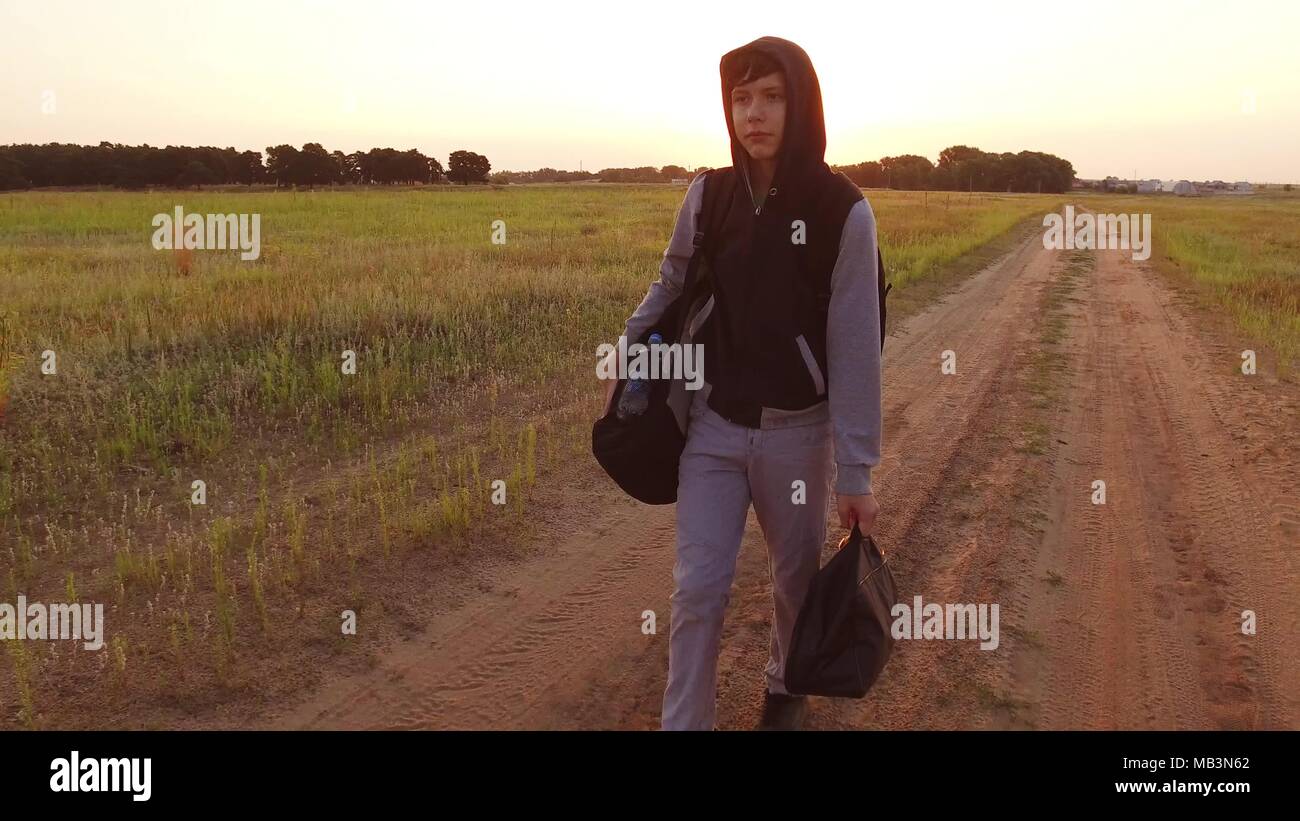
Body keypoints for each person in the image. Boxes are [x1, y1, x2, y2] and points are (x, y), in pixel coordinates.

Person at [601, 36, 883, 730]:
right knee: (696, 591)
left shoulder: (841, 210)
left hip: (799, 435)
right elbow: (671, 281)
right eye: (740, 98)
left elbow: (853, 348)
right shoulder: (709, 195)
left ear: (801, 103)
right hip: (714, 428)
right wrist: (630, 348)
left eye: (771, 97)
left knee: (793, 585)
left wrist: (857, 468)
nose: (752, 114)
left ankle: (785, 691)